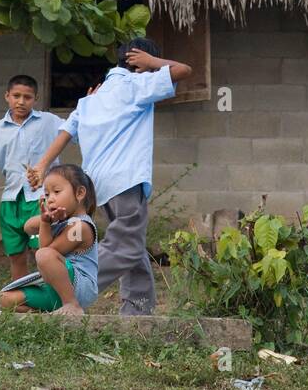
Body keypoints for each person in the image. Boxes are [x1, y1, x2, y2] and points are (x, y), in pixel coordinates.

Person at [29, 38, 190, 315]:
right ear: (139, 65)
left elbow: (65, 132)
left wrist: (42, 165)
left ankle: (137, 311)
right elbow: (184, 70)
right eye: (150, 66)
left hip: (98, 185)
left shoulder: (91, 100)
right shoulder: (136, 85)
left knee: (133, 248)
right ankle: (67, 285)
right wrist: (153, 65)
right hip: (125, 180)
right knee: (125, 247)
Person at [0, 74, 64, 280]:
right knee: (15, 254)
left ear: (36, 99)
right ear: (7, 96)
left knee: (42, 250)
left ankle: (51, 295)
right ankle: (20, 299)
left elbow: (74, 128)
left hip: (40, 199)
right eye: (16, 96)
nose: (21, 101)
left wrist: (91, 105)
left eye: (27, 97)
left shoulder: (49, 122)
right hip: (11, 200)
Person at [0, 164, 98, 316]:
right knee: (5, 299)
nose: (50, 199)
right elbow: (28, 227)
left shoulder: (80, 226)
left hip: (78, 287)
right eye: (46, 194)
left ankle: (72, 305)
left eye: (56, 192)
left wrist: (45, 224)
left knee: (44, 255)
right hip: (54, 287)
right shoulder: (60, 221)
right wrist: (46, 220)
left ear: (79, 193)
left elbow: (46, 252)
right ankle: (51, 315)